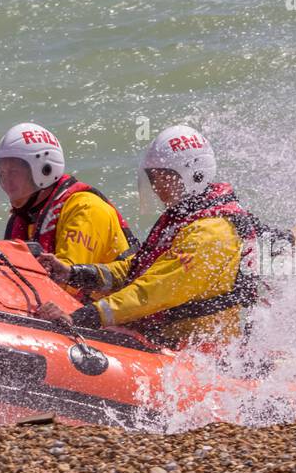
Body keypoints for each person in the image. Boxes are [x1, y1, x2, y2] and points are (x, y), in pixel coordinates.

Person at [38, 125, 258, 348]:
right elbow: (137, 268)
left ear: (194, 175)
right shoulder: (186, 219)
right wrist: (75, 273)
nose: (155, 187)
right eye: (152, 178)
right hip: (167, 338)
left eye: (163, 178)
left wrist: (80, 317)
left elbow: (151, 292)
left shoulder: (209, 234)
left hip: (199, 352)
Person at [0, 123, 137, 281]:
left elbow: (67, 282)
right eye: (2, 173)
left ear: (45, 170)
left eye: (14, 172)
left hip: (112, 302)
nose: (6, 181)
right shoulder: (24, 217)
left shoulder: (86, 208)